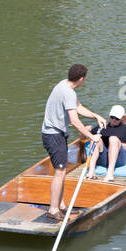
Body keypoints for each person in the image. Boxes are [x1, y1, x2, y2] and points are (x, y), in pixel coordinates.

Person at [42, 64, 106, 220]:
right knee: (60, 171)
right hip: (54, 136)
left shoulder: (63, 84)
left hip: (55, 135)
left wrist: (96, 116)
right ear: (82, 79)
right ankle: (53, 210)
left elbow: (79, 107)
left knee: (62, 170)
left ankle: (62, 206)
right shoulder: (68, 92)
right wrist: (92, 137)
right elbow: (75, 121)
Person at [92, 105, 126, 181]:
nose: (113, 120)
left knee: (113, 139)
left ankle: (110, 174)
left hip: (119, 160)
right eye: (112, 117)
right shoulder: (101, 127)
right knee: (95, 138)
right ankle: (91, 172)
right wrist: (86, 131)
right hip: (103, 159)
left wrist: (115, 144)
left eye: (117, 118)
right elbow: (85, 138)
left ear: (122, 118)